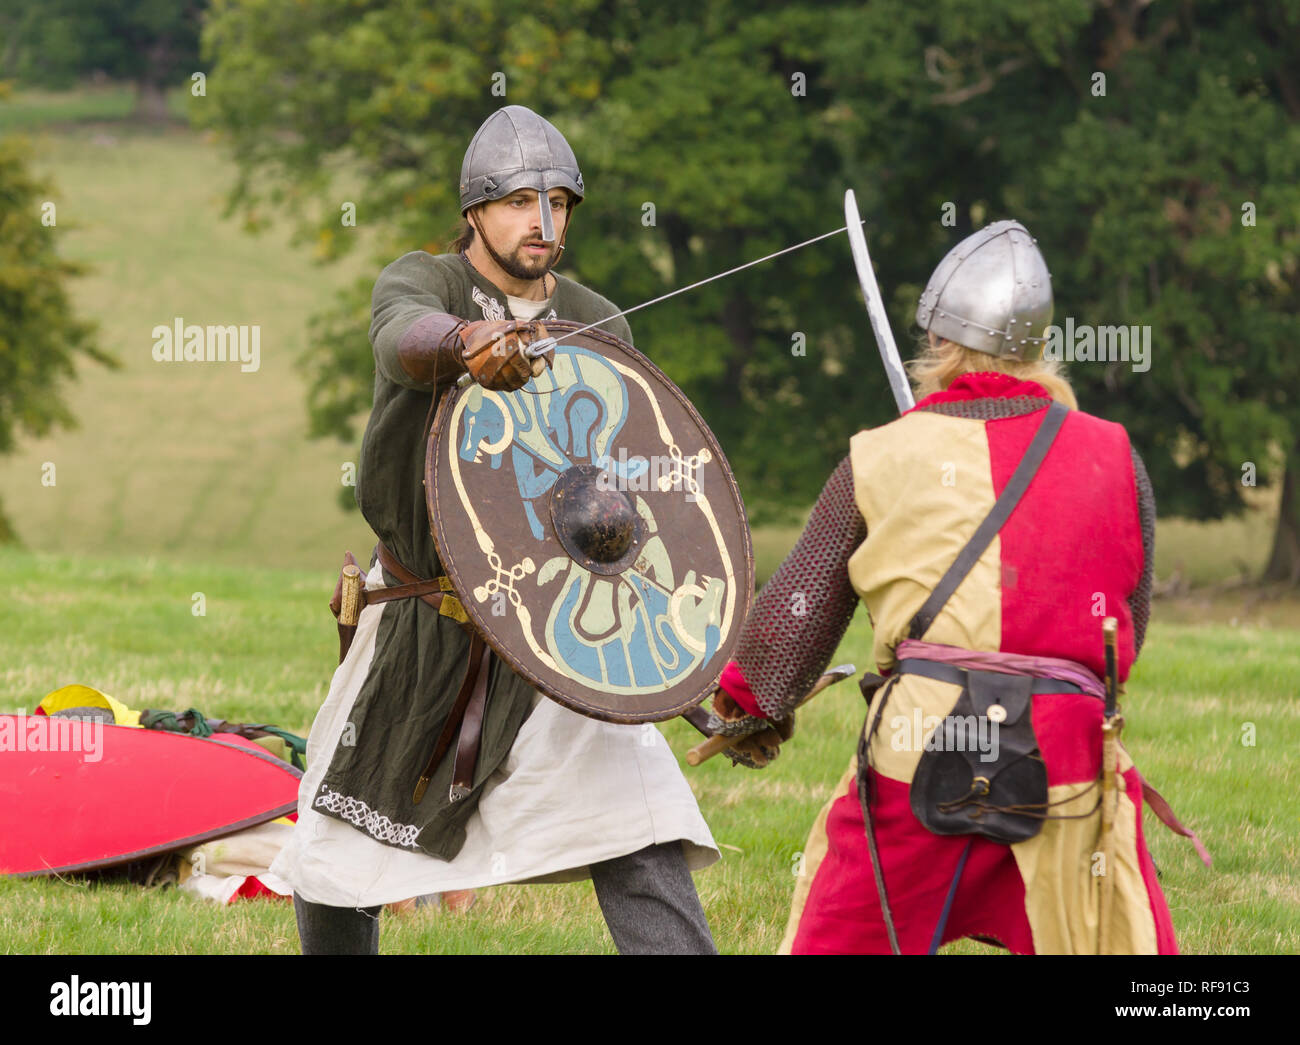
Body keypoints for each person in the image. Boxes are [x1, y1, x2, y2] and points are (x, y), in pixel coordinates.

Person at [270, 105, 718, 955]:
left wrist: (690, 650)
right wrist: (468, 339)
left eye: (558, 203)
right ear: (475, 211)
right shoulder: (425, 281)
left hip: (561, 626)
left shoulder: (600, 320)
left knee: (643, 826)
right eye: (518, 200)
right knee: (334, 859)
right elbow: (399, 338)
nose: (541, 223)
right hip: (424, 619)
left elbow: (634, 492)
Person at [711, 220, 1198, 954]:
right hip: (1065, 755)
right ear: (1037, 347)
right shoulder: (1115, 455)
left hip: (921, 756)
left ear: (939, 344)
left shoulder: (880, 453)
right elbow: (1128, 625)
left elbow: (793, 617)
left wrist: (751, 706)